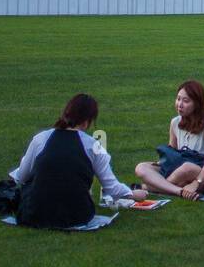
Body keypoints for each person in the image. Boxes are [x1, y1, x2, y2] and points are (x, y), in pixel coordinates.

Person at [11, 93, 147, 229]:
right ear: (87, 121)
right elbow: (111, 187)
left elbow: (22, 176)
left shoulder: (41, 139)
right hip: (77, 215)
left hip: (34, 214)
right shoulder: (93, 146)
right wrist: (133, 194)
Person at [135, 80, 204, 200]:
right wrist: (160, 163)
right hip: (180, 168)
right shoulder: (175, 122)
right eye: (178, 99)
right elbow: (172, 151)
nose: (180, 104)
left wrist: (196, 183)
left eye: (186, 101)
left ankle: (152, 187)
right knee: (141, 167)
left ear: (197, 104)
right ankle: (179, 191)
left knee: (187, 167)